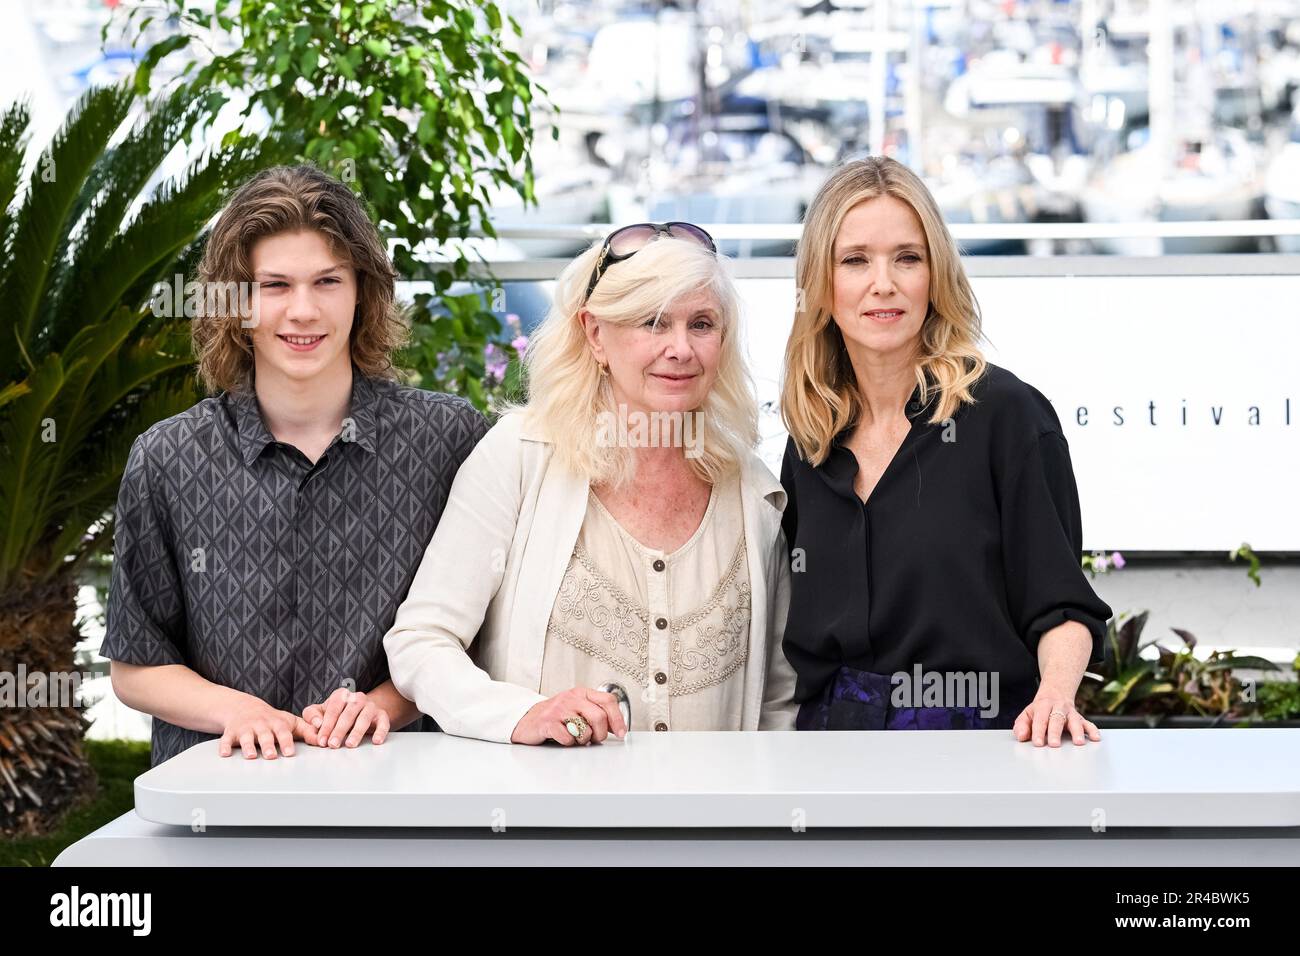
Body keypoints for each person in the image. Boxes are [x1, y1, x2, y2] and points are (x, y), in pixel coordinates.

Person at [103, 164, 487, 765]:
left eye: (327, 281)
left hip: (400, 795)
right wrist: (237, 710)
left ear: (363, 291)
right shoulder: (167, 458)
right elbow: (135, 665)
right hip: (222, 803)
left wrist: (388, 703)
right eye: (275, 285)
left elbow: (483, 631)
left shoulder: (449, 438)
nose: (303, 311)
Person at [384, 223, 798, 744]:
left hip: (711, 823)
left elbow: (780, 700)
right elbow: (421, 642)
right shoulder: (519, 455)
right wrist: (517, 714)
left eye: (702, 324)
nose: (681, 348)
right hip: (546, 818)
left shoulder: (754, 492)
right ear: (595, 334)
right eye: (652, 321)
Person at [779, 156, 1112, 747]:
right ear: (821, 285)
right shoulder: (812, 436)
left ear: (936, 275)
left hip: (975, 747)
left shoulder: (1007, 417)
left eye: (908, 258)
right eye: (855, 260)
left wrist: (1055, 695)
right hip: (826, 755)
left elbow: (1062, 604)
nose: (884, 283)